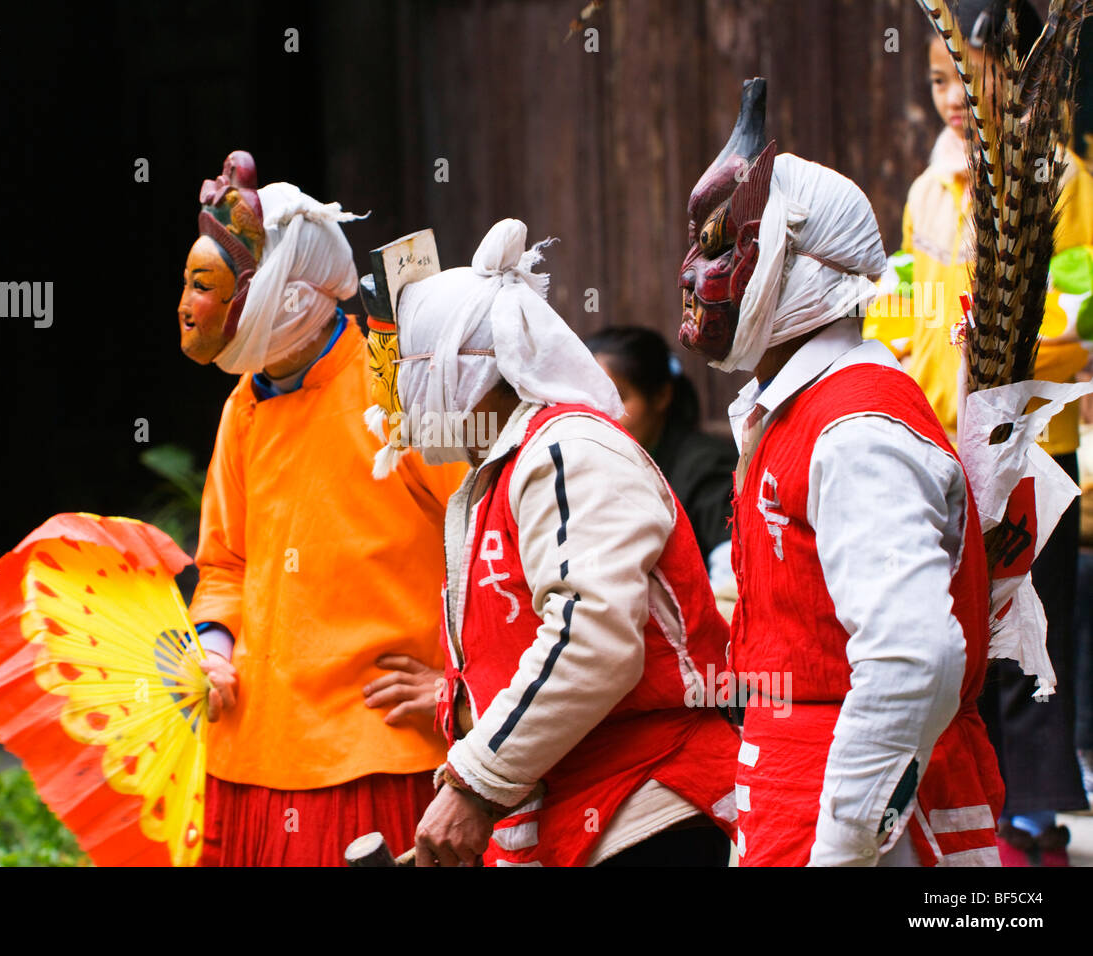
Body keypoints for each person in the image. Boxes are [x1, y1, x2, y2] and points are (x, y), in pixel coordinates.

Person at [682, 77, 1004, 866]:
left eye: (723, 246)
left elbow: (911, 659)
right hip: (801, 808)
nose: (695, 272)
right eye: (696, 245)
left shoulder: (857, 429)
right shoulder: (801, 411)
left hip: (868, 837)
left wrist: (845, 843)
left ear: (799, 265)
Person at [365, 219, 741, 867]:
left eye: (407, 368)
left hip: (648, 815)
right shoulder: (498, 475)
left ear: (460, 369)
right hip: (579, 820)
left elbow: (591, 639)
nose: (396, 393)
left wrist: (475, 787)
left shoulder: (568, 452)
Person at [177, 151, 465, 866]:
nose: (190, 307)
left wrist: (462, 689)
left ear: (292, 291)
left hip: (379, 748)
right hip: (254, 745)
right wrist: (211, 648)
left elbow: (488, 535)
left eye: (209, 285)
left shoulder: (397, 379)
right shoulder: (243, 406)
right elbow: (224, 562)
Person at [862, 0, 1093, 865]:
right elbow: (906, 314)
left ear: (1019, 73)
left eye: (972, 75)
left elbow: (1078, 306)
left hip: (1032, 441)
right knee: (963, 623)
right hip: (946, 442)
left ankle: (1036, 804)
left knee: (1030, 617)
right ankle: (979, 796)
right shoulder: (928, 187)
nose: (955, 96)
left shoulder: (1058, 176)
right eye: (938, 80)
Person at [587, 326, 739, 617]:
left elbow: (732, 578)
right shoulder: (593, 467)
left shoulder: (706, 467)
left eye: (617, 399)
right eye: (591, 400)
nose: (600, 415)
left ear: (660, 396)